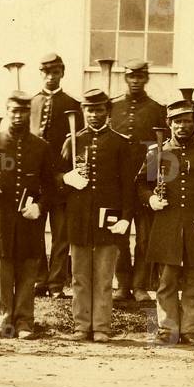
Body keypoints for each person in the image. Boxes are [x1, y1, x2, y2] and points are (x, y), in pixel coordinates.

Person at [139, 99, 194, 345]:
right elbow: (141, 186)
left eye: (187, 121)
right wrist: (151, 199)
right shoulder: (157, 152)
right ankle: (167, 330)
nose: (183, 126)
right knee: (166, 282)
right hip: (167, 227)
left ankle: (191, 330)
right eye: (177, 121)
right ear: (169, 124)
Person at [0, 91, 57, 339]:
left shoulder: (41, 147)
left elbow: (52, 187)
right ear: (7, 111)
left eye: (22, 111)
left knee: (28, 270)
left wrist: (40, 207)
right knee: (3, 270)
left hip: (29, 218)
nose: (18, 116)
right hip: (1, 217)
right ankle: (2, 321)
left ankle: (23, 323)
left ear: (28, 113)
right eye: (13, 111)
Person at [61, 89, 134, 342]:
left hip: (109, 219)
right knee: (80, 276)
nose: (94, 114)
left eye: (99, 109)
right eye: (90, 110)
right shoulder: (73, 141)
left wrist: (126, 217)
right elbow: (55, 180)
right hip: (79, 218)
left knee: (103, 276)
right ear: (83, 112)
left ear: (107, 112)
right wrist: (66, 179)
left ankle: (101, 326)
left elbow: (128, 186)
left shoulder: (120, 143)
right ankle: (82, 326)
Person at [109, 59, 166, 303]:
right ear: (126, 78)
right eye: (131, 77)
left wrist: (155, 181)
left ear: (146, 79)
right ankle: (122, 284)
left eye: (140, 77)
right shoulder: (113, 107)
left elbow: (162, 148)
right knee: (119, 236)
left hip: (146, 182)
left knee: (145, 237)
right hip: (117, 182)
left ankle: (140, 285)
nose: (135, 81)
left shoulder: (156, 109)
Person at [29, 52, 81, 299]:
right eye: (46, 72)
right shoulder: (30, 103)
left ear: (62, 73)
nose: (50, 77)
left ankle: (56, 283)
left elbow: (81, 143)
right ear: (40, 74)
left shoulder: (73, 105)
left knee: (61, 233)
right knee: (35, 232)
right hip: (36, 183)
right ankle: (39, 279)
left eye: (55, 72)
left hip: (61, 181)